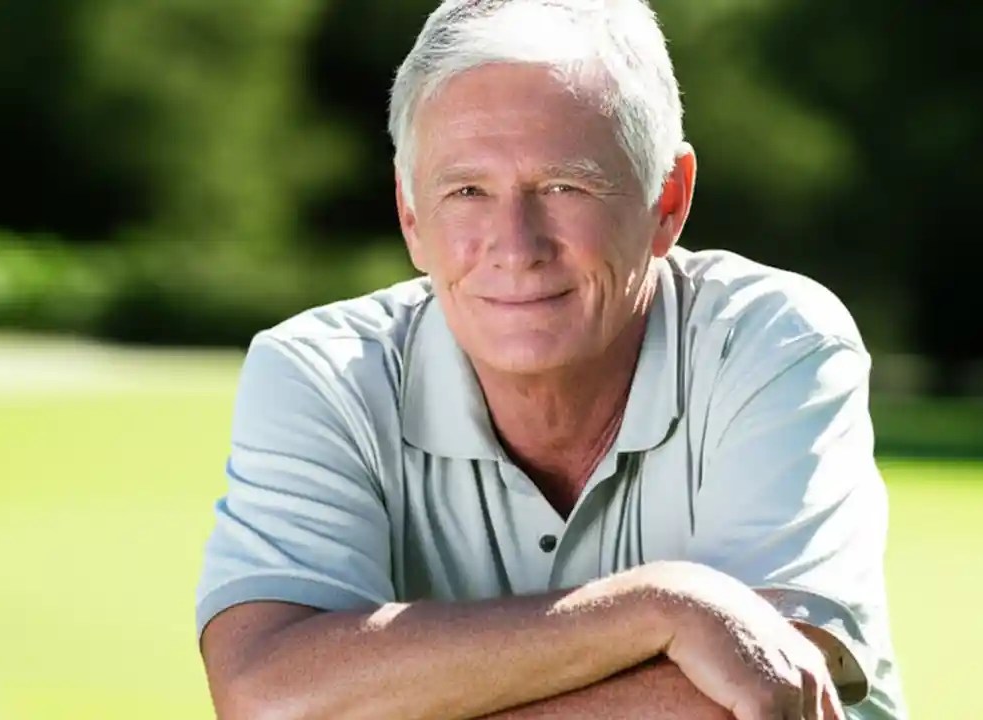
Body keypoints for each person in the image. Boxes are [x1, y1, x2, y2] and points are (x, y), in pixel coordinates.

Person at [194, 1, 907, 717]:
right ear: (412, 216)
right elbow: (265, 698)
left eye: (566, 186)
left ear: (668, 201)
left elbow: (753, 698)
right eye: (467, 190)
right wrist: (659, 606)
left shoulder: (773, 340)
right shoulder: (320, 374)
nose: (516, 246)